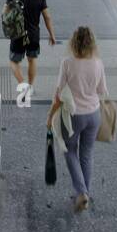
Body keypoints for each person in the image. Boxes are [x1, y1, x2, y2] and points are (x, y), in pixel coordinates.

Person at [45, 27, 108, 213]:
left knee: (70, 151)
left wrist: (50, 116)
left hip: (73, 116)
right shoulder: (98, 63)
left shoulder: (67, 62)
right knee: (87, 153)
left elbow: (58, 94)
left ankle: (81, 192)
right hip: (94, 114)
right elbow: (102, 91)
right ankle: (84, 192)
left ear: (73, 42)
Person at [5, 0, 57, 107]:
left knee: (14, 61)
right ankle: (31, 86)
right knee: (32, 60)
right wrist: (52, 35)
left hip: (17, 35)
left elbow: (5, 13)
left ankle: (23, 84)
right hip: (34, 35)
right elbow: (47, 17)